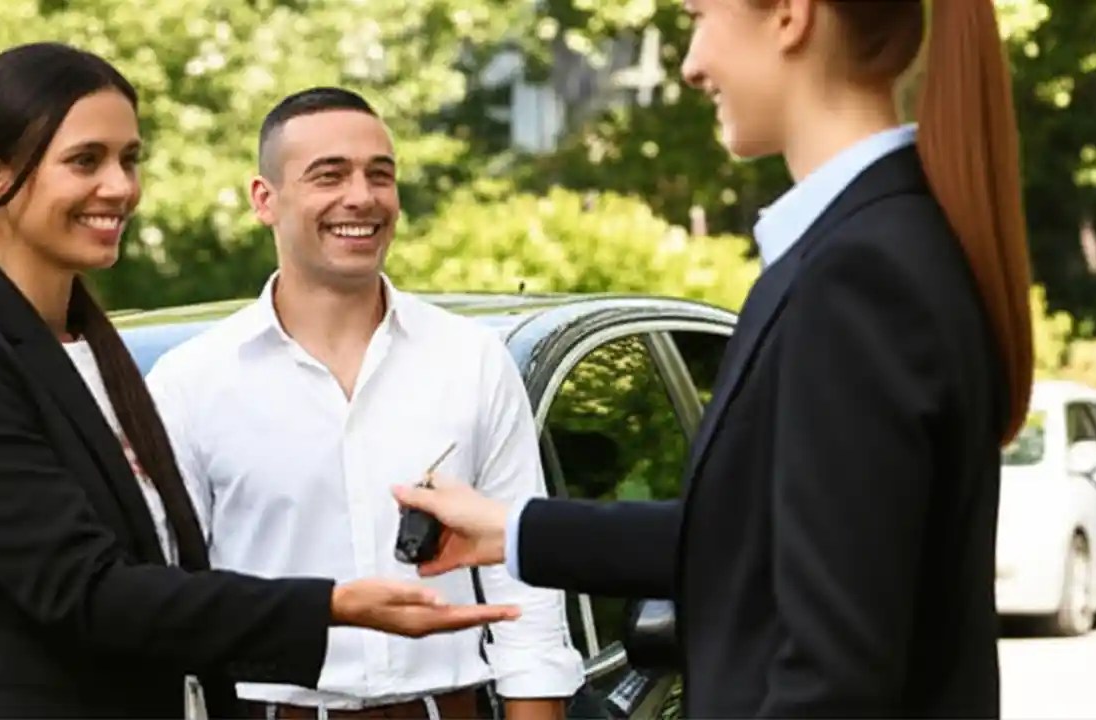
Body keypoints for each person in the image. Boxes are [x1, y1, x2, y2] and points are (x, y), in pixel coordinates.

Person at [394, 0, 1032, 717]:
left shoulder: (858, 274)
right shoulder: (872, 247)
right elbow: (751, 535)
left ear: (791, 16)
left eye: (700, 16)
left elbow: (835, 676)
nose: (694, 65)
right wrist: (506, 530)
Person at [0, 43, 517, 720]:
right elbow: (84, 592)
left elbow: (169, 580)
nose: (120, 187)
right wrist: (332, 604)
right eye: (85, 160)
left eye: (130, 159)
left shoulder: (94, 347)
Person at [145, 87, 584, 720]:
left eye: (381, 175)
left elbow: (526, 585)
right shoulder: (191, 382)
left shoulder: (471, 359)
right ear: (263, 199)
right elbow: (166, 600)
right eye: (329, 176)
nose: (362, 197)